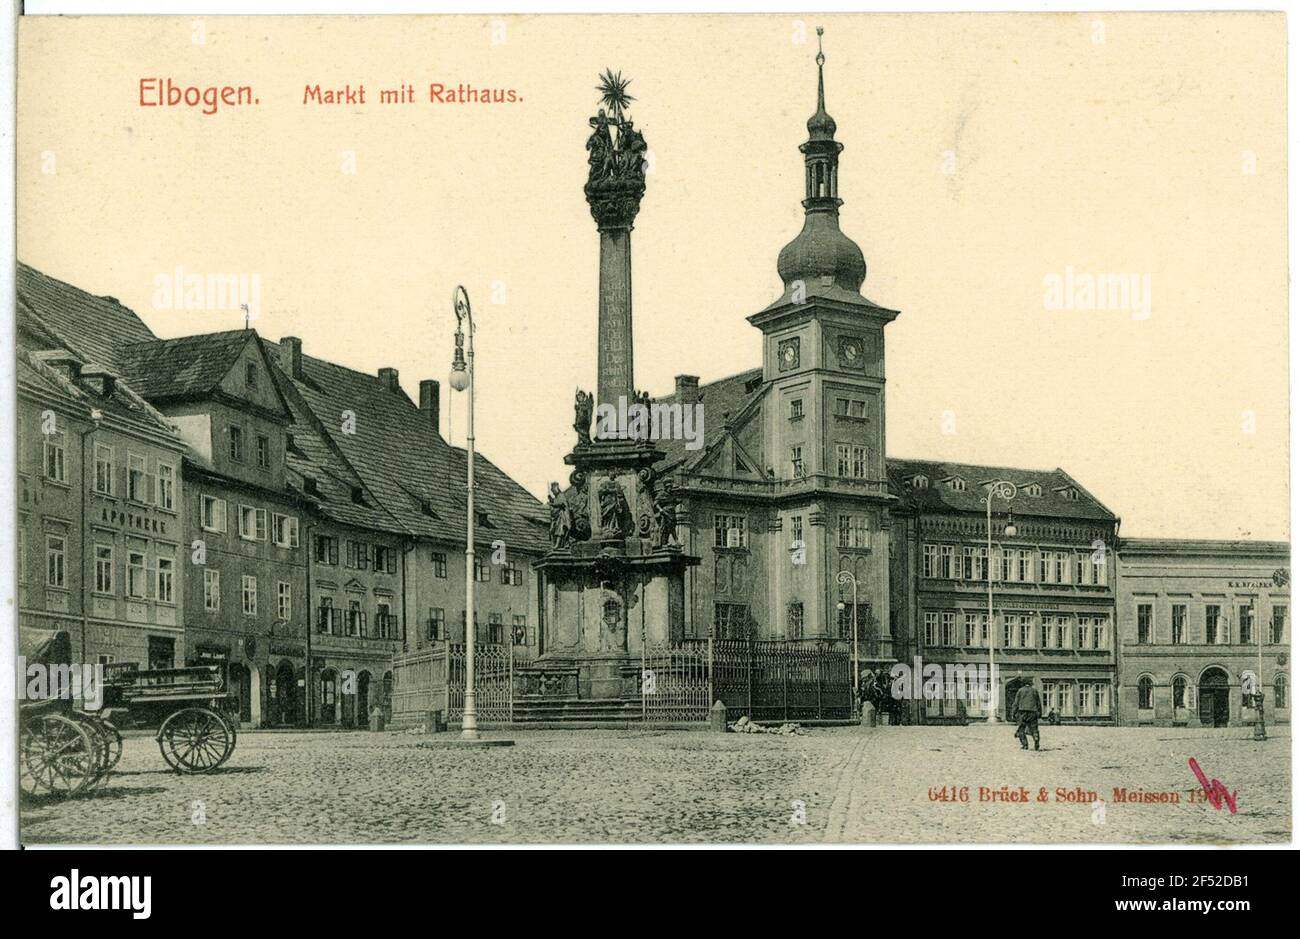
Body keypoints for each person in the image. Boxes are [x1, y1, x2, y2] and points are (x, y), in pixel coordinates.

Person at [1012, 681, 1042, 750]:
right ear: (1031, 684)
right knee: (1034, 728)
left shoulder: (1020, 690)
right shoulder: (1034, 691)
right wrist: (1039, 713)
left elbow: (1016, 703)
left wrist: (1013, 713)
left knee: (1021, 729)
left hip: (1022, 712)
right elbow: (1038, 703)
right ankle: (1036, 737)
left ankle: (1025, 745)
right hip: (1033, 712)